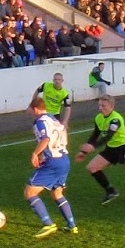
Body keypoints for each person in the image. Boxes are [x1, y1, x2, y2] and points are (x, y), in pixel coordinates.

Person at [73, 94, 125, 207]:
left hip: (124, 148)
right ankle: (111, 191)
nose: (100, 108)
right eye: (99, 105)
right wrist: (83, 151)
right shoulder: (98, 118)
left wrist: (93, 147)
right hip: (111, 149)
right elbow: (95, 135)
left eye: (103, 106)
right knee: (92, 167)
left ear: (111, 106)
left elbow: (109, 136)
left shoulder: (115, 119)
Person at [25, 93, 77, 239]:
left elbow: (46, 139)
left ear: (36, 109)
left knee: (30, 192)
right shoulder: (54, 120)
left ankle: (48, 224)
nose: (29, 112)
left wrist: (35, 154)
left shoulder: (40, 122)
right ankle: (72, 225)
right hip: (64, 160)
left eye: (30, 110)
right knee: (57, 193)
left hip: (53, 162)